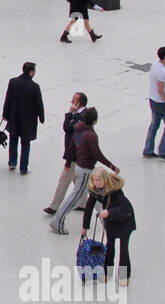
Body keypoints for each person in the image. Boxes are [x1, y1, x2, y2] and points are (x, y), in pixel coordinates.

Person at [52, 107, 118, 235]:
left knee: (96, 195)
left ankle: (106, 221)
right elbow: (97, 154)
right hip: (85, 170)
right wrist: (111, 166)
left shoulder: (78, 129)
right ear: (95, 120)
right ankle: (57, 221)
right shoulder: (91, 135)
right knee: (75, 198)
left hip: (80, 167)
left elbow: (71, 147)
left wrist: (67, 162)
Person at [81, 166, 136, 285]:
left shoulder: (115, 190)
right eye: (94, 180)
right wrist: (85, 226)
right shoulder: (96, 191)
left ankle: (123, 276)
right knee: (109, 246)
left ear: (104, 179)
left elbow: (125, 208)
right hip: (111, 221)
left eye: (98, 180)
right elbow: (89, 207)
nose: (96, 183)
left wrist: (109, 212)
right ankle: (107, 272)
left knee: (123, 248)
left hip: (124, 220)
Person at [43, 91, 87, 217]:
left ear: (80, 103)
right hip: (76, 154)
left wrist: (69, 113)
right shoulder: (78, 114)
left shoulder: (81, 117)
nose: (71, 102)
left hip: (74, 155)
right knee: (77, 178)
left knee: (64, 180)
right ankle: (84, 202)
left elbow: (67, 127)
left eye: (74, 100)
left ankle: (54, 206)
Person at [1, 61, 44, 175]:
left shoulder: (13, 82)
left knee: (13, 140)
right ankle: (23, 168)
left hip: (14, 118)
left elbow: (8, 99)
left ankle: (12, 162)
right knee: (25, 144)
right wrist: (41, 117)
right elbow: (39, 104)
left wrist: (5, 114)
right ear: (31, 72)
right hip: (28, 121)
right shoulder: (34, 87)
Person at [142, 46, 165, 163]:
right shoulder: (163, 73)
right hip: (161, 103)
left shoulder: (155, 65)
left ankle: (148, 149)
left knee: (154, 125)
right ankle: (164, 151)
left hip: (152, 100)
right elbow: (161, 90)